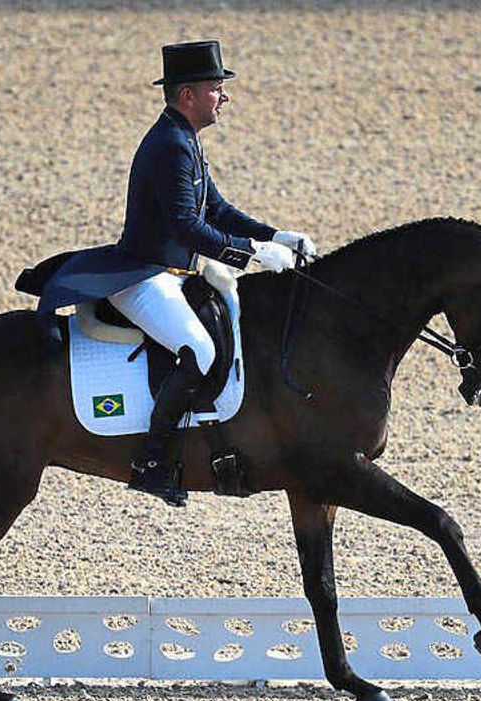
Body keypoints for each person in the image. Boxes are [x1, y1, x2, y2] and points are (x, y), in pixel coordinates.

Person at [36, 40, 316, 507]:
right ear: (187, 95)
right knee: (199, 351)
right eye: (215, 88)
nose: (224, 96)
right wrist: (251, 253)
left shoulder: (185, 139)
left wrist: (276, 235)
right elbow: (186, 225)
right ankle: (152, 462)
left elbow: (218, 210)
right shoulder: (170, 146)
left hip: (173, 275)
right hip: (143, 277)